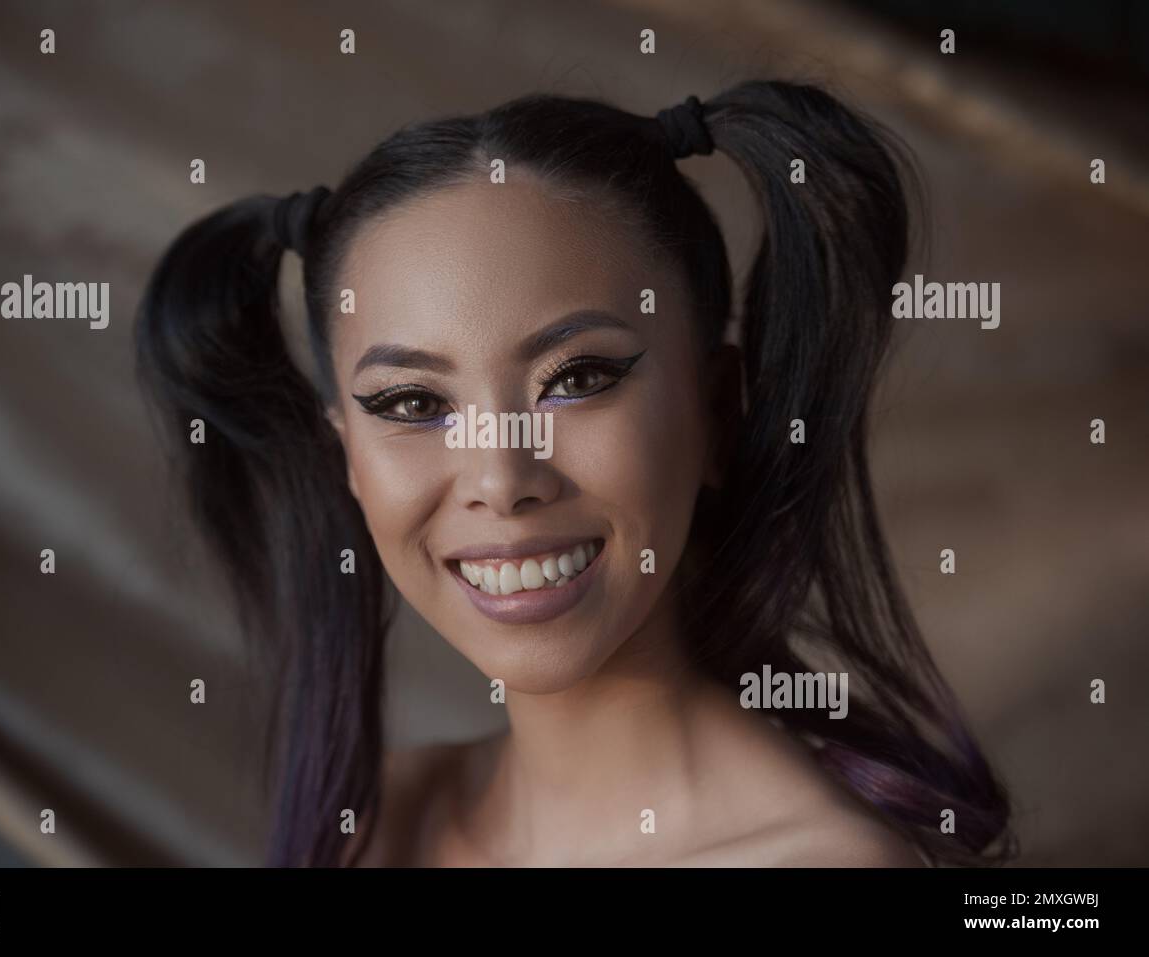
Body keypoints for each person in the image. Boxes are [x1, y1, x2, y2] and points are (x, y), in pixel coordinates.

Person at [136, 83, 1013, 867]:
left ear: (717, 410)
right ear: (348, 462)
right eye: (410, 404)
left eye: (579, 379)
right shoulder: (372, 825)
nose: (500, 474)